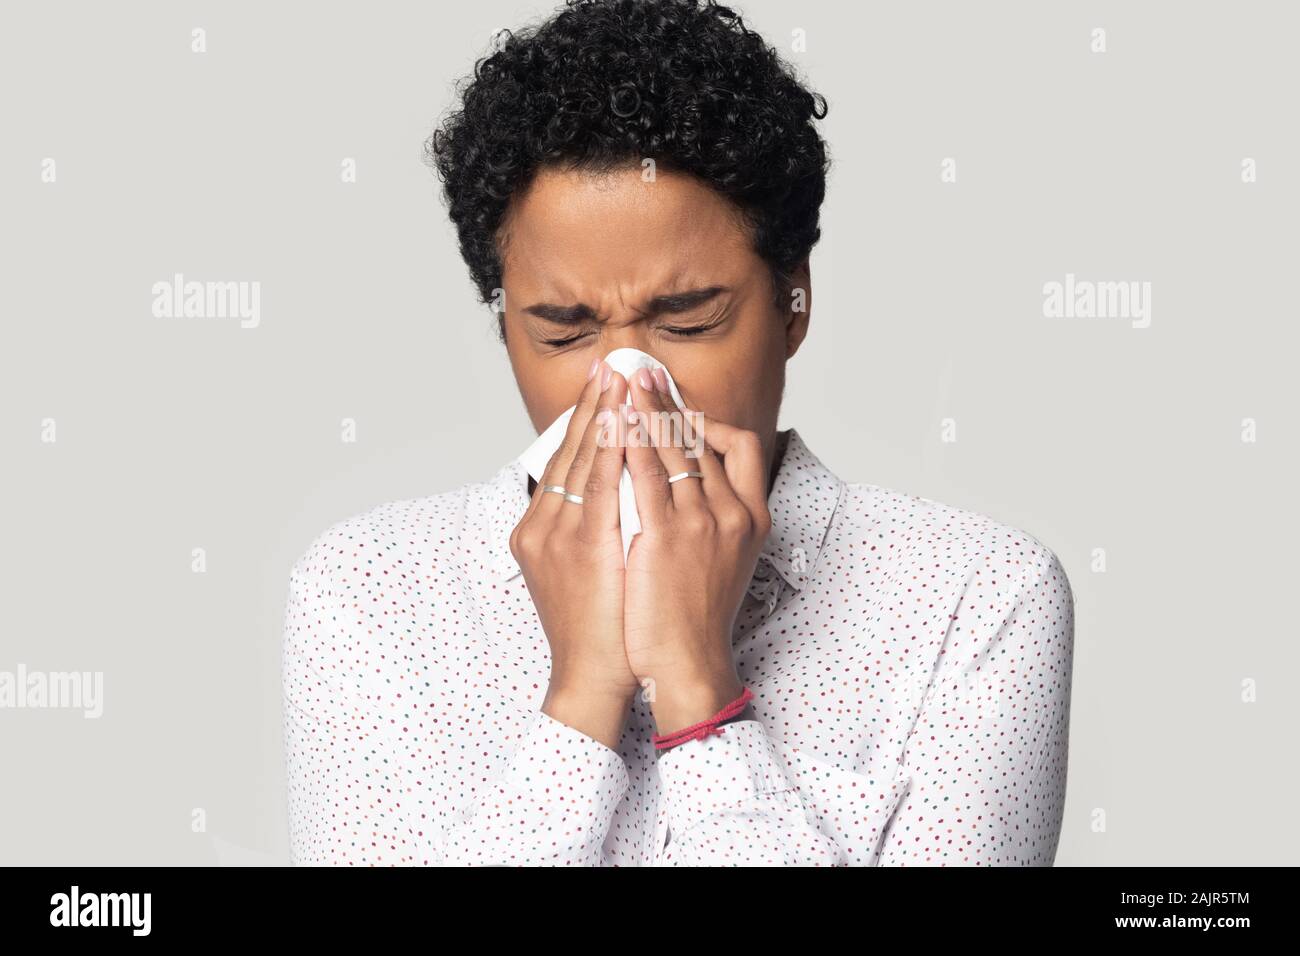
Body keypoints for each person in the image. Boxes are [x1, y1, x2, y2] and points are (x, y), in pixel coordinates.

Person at [282, 0, 1074, 865]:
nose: (626, 389)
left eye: (688, 321)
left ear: (791, 304)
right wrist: (584, 696)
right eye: (562, 332)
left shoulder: (977, 596)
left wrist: (700, 692)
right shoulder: (365, 594)